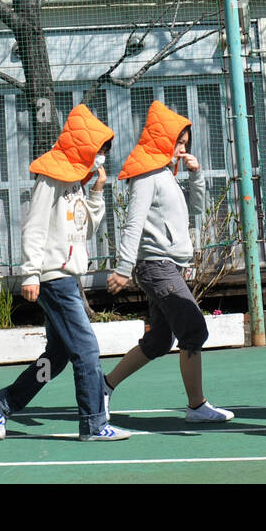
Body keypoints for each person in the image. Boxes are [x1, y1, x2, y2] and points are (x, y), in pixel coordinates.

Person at [0, 103, 128, 442]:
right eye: (99, 151)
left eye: (105, 153)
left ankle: (7, 400)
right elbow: (34, 226)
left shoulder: (77, 183)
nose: (102, 158)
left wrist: (97, 191)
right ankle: (94, 424)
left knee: (58, 356)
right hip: (54, 278)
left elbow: (87, 227)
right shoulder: (50, 179)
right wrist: (30, 274)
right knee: (87, 350)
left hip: (68, 277)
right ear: (84, 146)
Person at [104, 100, 233, 424]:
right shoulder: (146, 175)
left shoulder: (165, 174)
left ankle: (102, 387)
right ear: (163, 140)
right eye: (178, 143)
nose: (180, 149)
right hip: (155, 265)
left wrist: (196, 175)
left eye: (184, 145)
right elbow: (133, 222)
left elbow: (198, 207)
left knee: (159, 341)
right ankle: (196, 406)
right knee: (193, 328)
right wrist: (122, 269)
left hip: (168, 266)